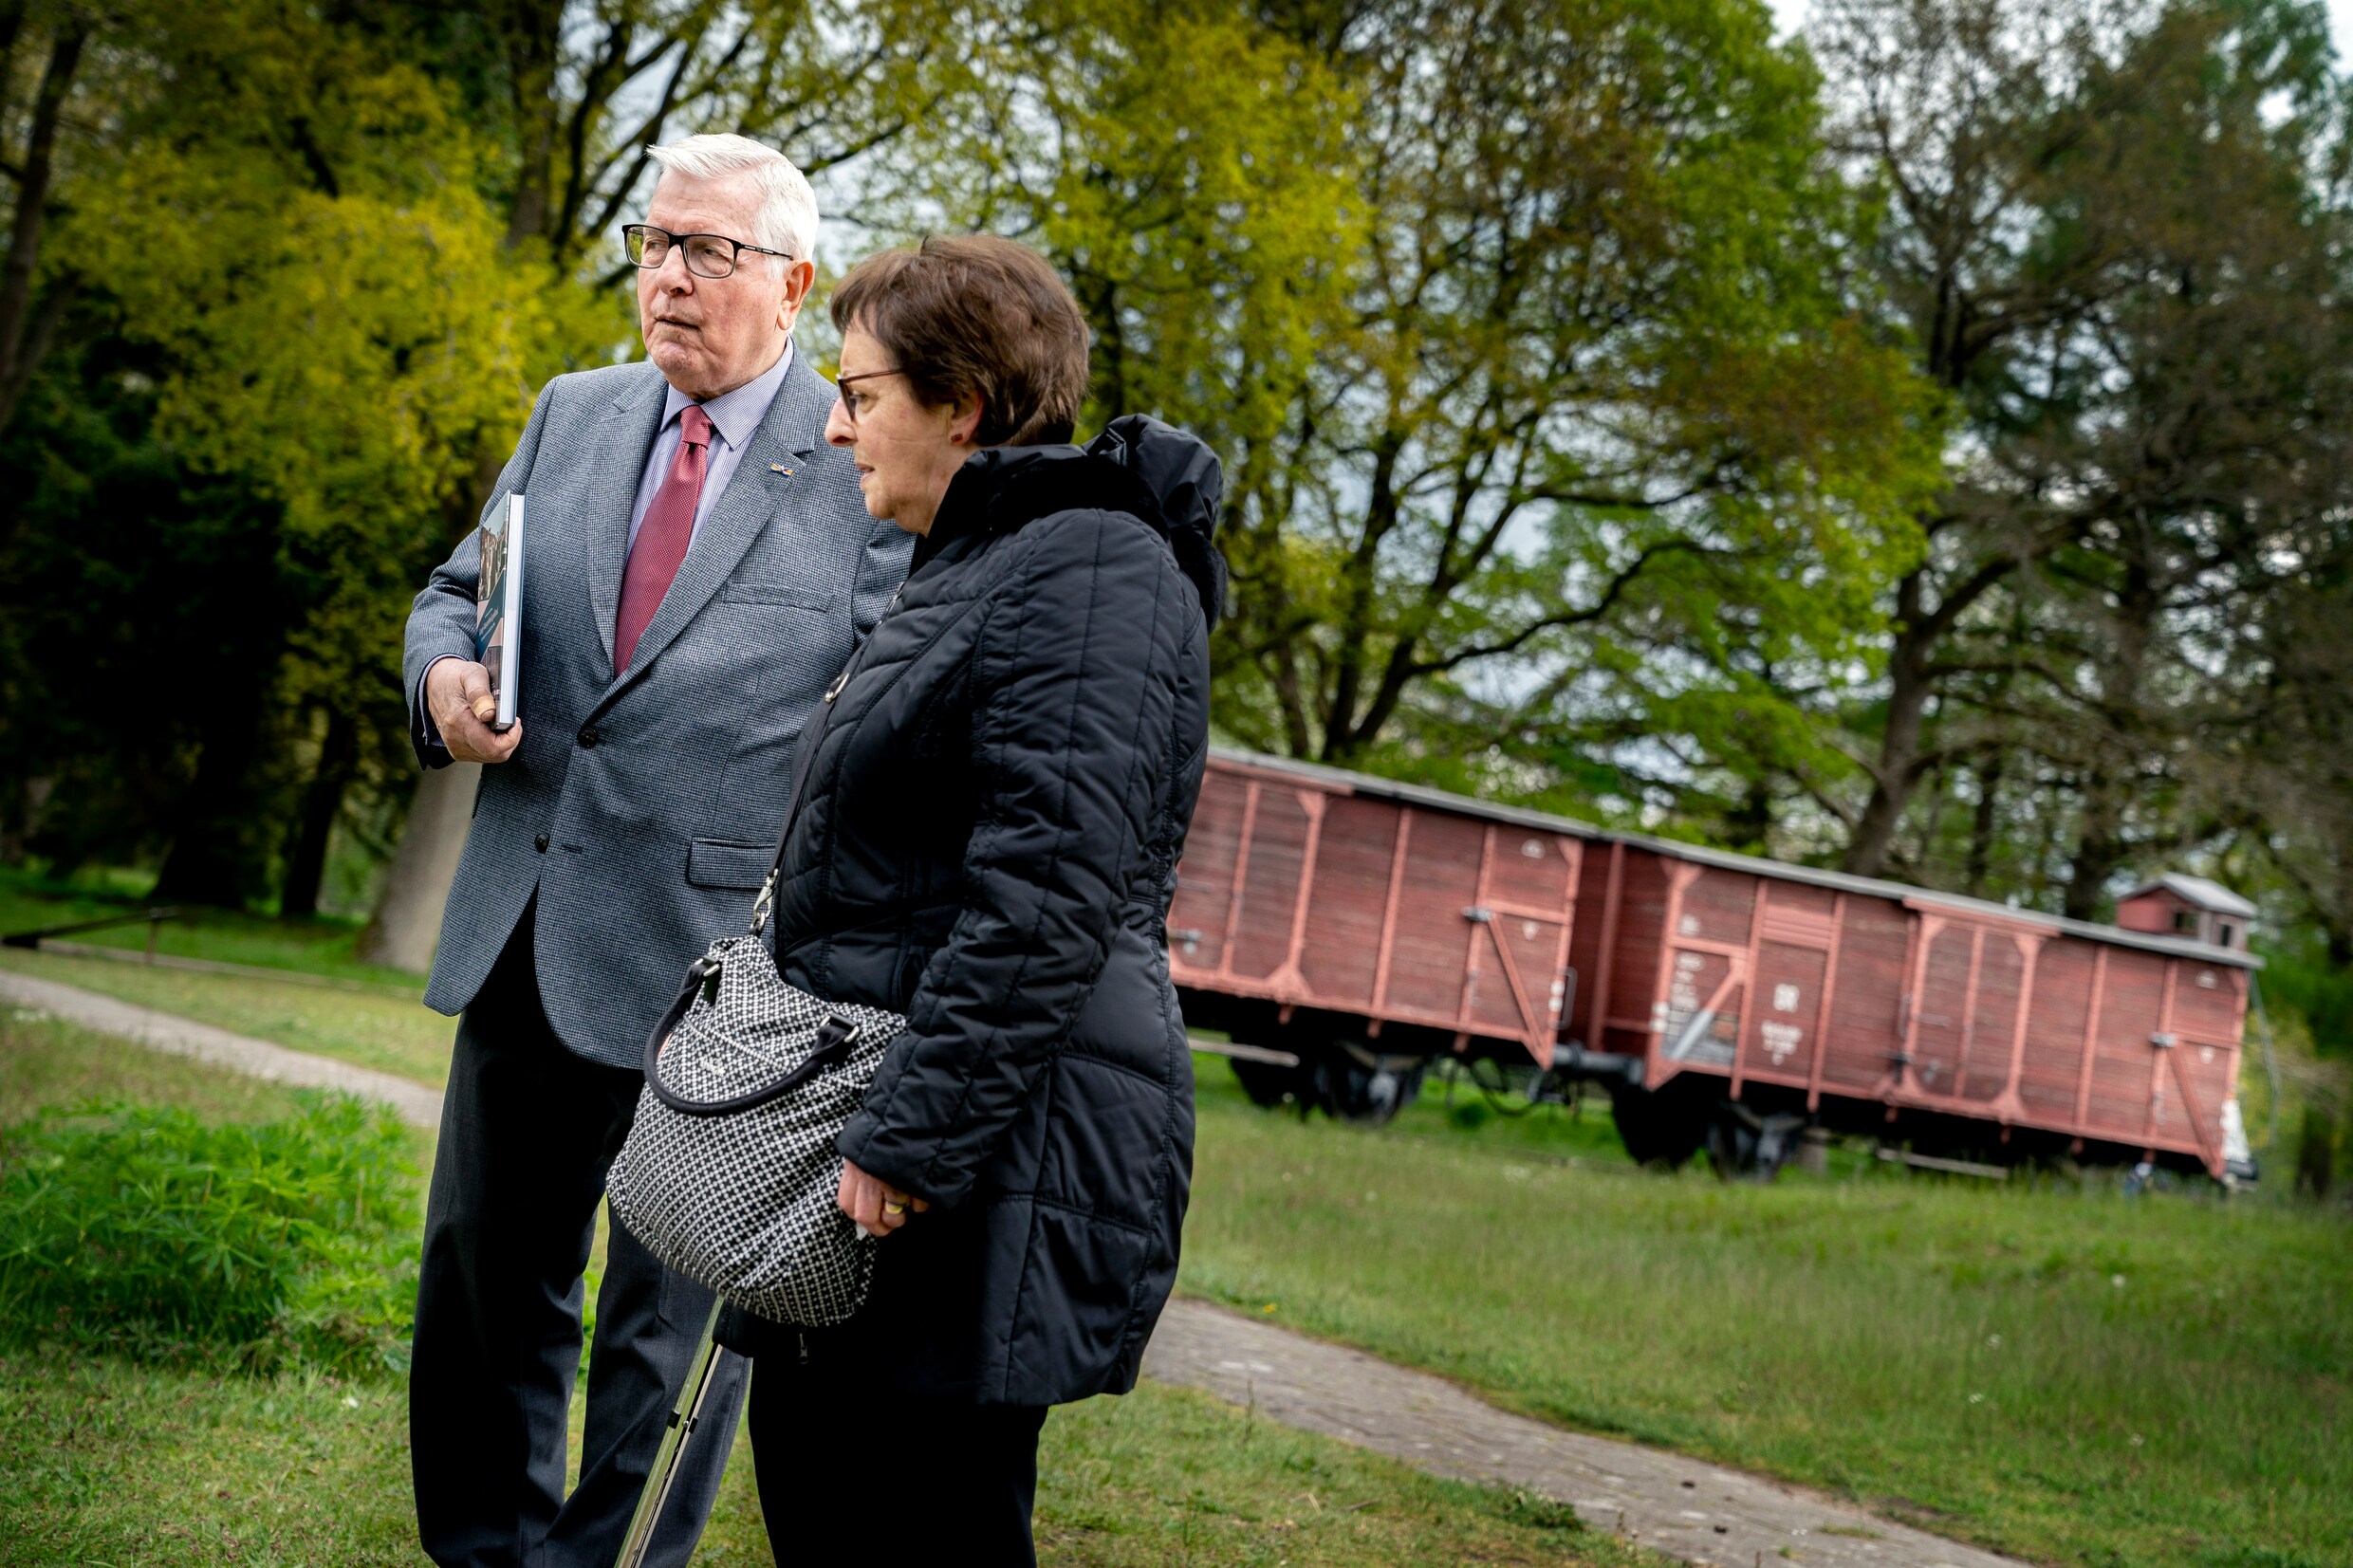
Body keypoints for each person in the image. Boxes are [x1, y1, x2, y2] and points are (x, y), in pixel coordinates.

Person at [398, 135, 913, 1568]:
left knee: (665, 1327)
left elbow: (887, 699)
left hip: (723, 974)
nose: (668, 276)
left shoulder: (859, 448)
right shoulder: (573, 411)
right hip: (527, 916)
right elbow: (456, 590)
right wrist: (442, 679)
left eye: (710, 251)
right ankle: (485, 1552)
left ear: (793, 283)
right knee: (486, 1284)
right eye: (653, 243)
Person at [715, 234, 1222, 1566]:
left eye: (861, 392)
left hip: (975, 1171)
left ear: (964, 406)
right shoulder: (988, 560)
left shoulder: (1092, 570)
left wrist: (910, 1142)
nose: (834, 428)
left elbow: (1048, 894)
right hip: (901, 1149)